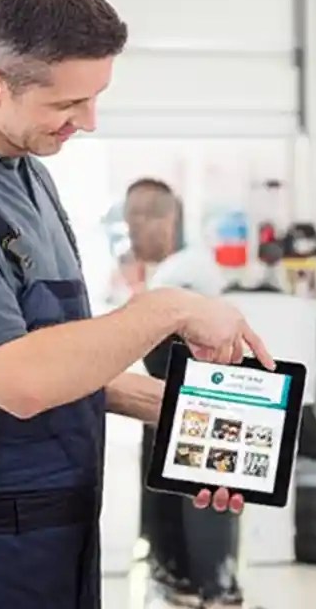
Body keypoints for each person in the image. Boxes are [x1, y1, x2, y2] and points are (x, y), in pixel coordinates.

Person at [0, 0, 274, 609]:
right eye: (68, 103)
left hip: (63, 527)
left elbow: (53, 353)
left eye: (95, 96)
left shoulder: (26, 173)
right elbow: (22, 381)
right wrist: (166, 308)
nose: (89, 120)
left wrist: (182, 415)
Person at [121, 178, 244, 608]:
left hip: (198, 415)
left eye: (140, 219)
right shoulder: (170, 273)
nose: (133, 232)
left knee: (200, 498)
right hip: (173, 413)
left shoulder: (187, 272)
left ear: (167, 219)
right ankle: (185, 581)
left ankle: (212, 586)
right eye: (128, 220)